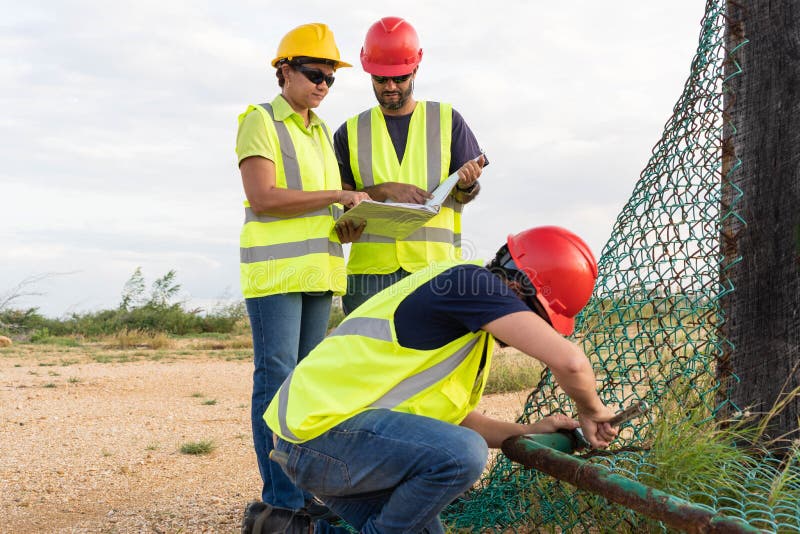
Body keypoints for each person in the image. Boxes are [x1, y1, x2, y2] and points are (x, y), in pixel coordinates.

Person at [249, 226, 619, 532]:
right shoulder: (471, 284)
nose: (538, 331)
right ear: (518, 289)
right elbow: (571, 363)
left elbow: (447, 423)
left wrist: (526, 431)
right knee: (463, 453)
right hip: (319, 439)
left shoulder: (470, 330)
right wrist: (592, 410)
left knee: (457, 453)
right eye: (543, 319)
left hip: (336, 445)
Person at [235, 22, 369, 530]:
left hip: (319, 273)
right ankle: (282, 497)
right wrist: (334, 196)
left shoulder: (318, 132)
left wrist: (351, 222)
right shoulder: (259, 121)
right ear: (284, 70)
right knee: (275, 383)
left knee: (305, 387)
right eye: (314, 73)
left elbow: (317, 211)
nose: (322, 85)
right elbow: (264, 197)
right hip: (276, 276)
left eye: (331, 78)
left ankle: (304, 489)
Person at [333, 16, 487, 315]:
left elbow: (465, 194)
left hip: (434, 271)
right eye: (380, 79)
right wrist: (384, 190)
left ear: (415, 69)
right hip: (370, 276)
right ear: (369, 73)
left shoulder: (447, 120)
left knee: (431, 361)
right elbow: (339, 203)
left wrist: (467, 185)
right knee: (369, 361)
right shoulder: (349, 132)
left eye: (399, 78)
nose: (390, 86)